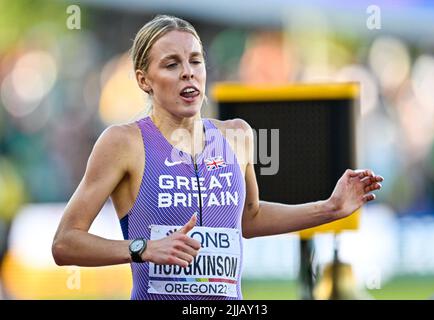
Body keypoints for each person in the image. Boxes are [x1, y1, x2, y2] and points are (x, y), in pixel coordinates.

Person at [52, 15, 383, 300]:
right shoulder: (123, 142)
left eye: (196, 61)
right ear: (144, 80)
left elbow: (249, 219)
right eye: (171, 64)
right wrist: (143, 249)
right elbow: (65, 243)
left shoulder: (236, 135)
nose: (188, 73)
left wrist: (331, 208)